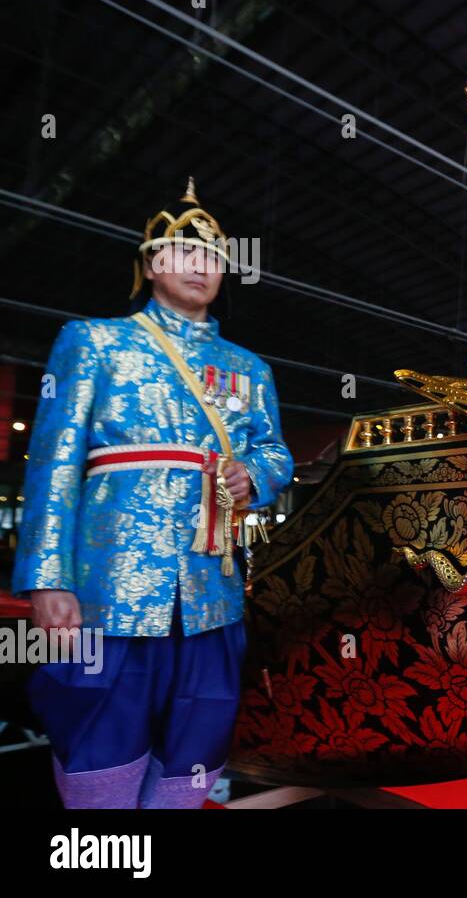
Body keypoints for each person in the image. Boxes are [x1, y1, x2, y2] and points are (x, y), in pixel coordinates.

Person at [12, 179, 294, 808]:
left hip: (211, 589)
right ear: (149, 265)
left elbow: (276, 450)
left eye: (214, 259)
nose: (201, 267)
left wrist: (257, 472)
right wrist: (48, 579)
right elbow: (54, 463)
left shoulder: (251, 368)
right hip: (107, 582)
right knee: (97, 721)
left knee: (202, 724)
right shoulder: (92, 341)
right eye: (183, 253)